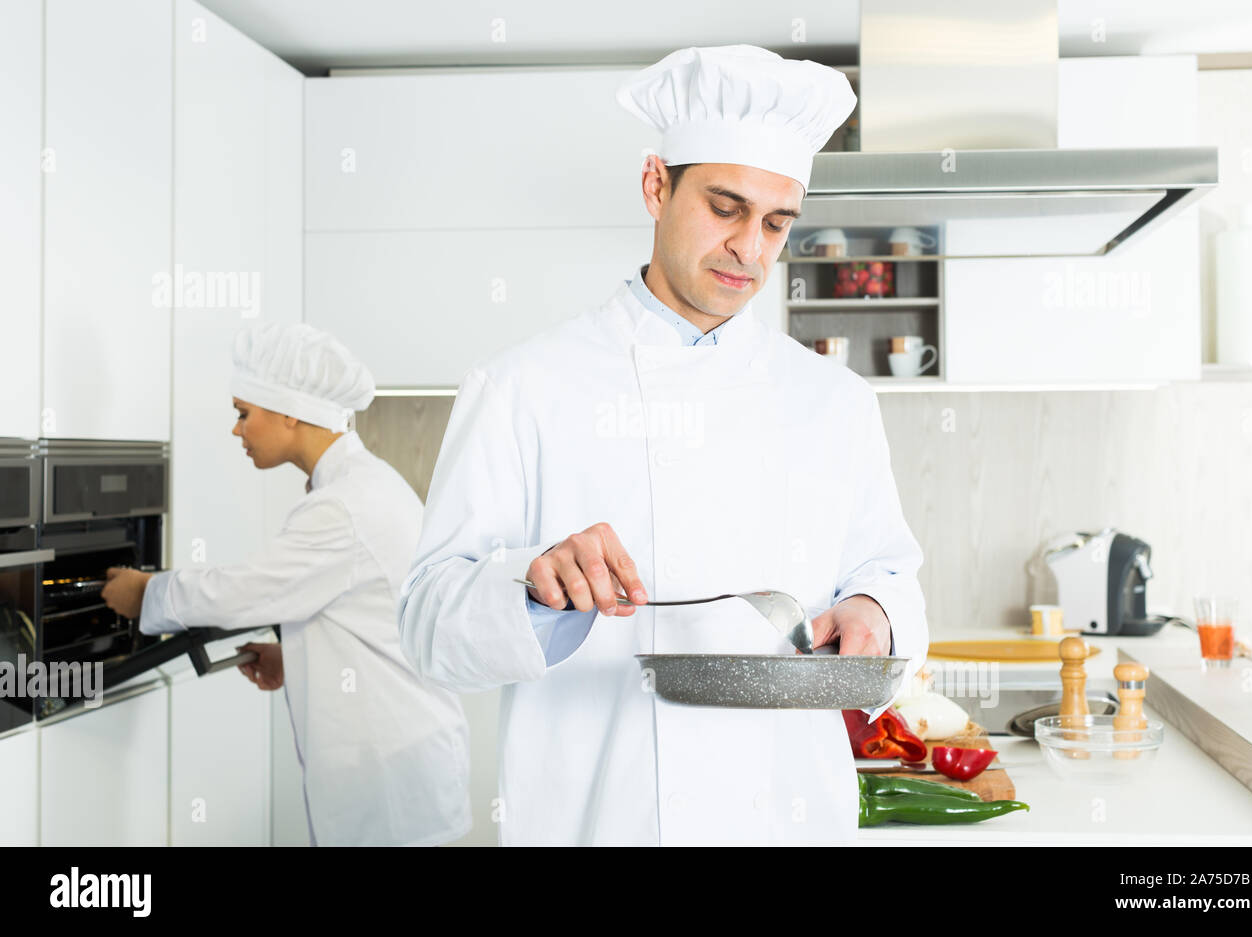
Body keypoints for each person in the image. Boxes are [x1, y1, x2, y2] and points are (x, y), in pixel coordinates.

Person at [397, 45, 928, 846]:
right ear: (656, 184)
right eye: (725, 206)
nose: (751, 248)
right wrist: (535, 588)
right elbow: (427, 626)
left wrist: (875, 611)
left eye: (777, 222)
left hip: (787, 820)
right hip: (597, 823)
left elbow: (890, 572)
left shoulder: (836, 402)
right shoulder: (523, 387)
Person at [102, 322, 472, 846]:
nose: (237, 430)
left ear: (290, 412)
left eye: (243, 413)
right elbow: (363, 617)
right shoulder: (359, 487)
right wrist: (295, 658)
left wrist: (145, 594)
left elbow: (243, 590)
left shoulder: (344, 507)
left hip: (391, 784)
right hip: (400, 764)